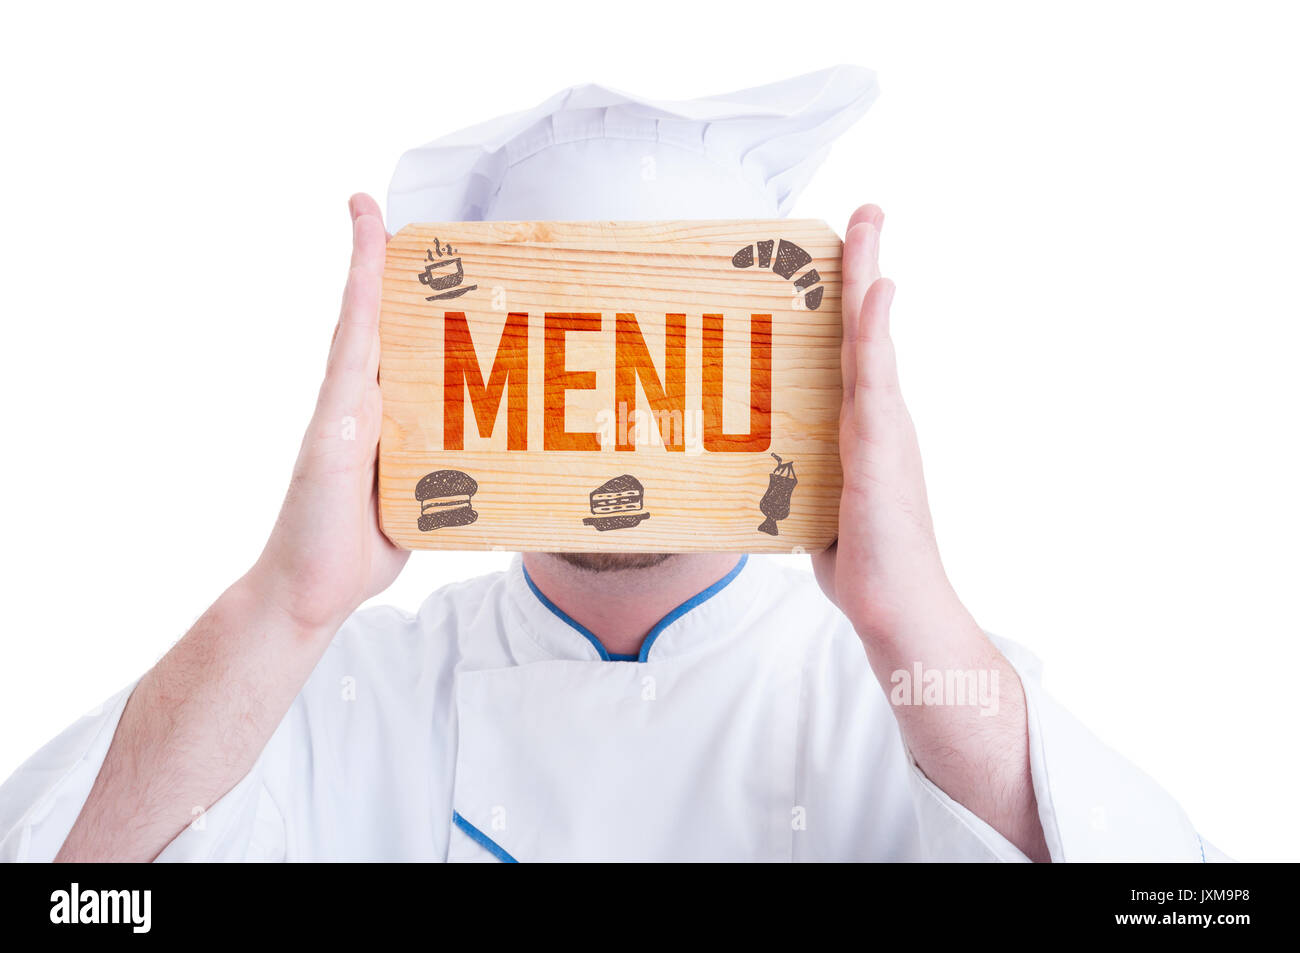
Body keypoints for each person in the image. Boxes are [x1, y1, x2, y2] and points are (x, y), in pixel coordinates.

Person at [0, 67, 1223, 862]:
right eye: (562, 330)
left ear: (777, 371)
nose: (621, 409)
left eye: (679, 336)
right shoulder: (324, 696)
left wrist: (914, 626)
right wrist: (286, 598)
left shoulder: (926, 698)